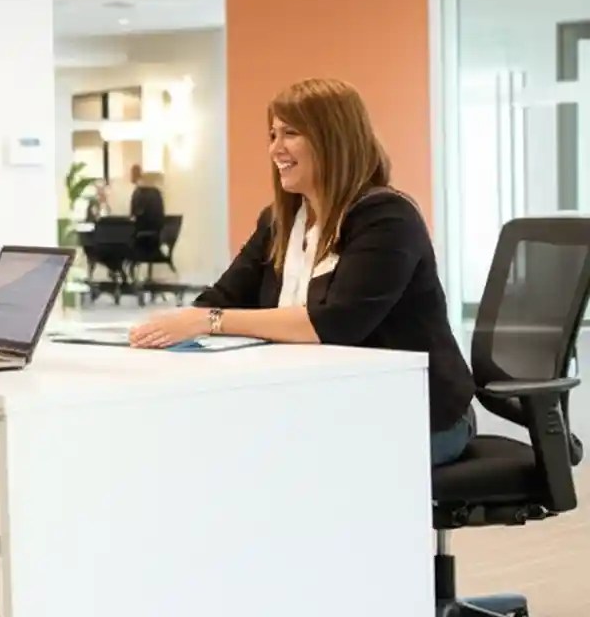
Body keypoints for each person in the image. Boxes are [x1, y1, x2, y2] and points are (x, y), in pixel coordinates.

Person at [128, 78, 477, 466]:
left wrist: (210, 322)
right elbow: (220, 298)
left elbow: (335, 324)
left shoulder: (387, 217)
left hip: (416, 417)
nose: (275, 148)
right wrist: (182, 322)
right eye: (272, 134)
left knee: (277, 464)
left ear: (333, 140)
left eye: (291, 133)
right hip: (322, 406)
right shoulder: (279, 222)